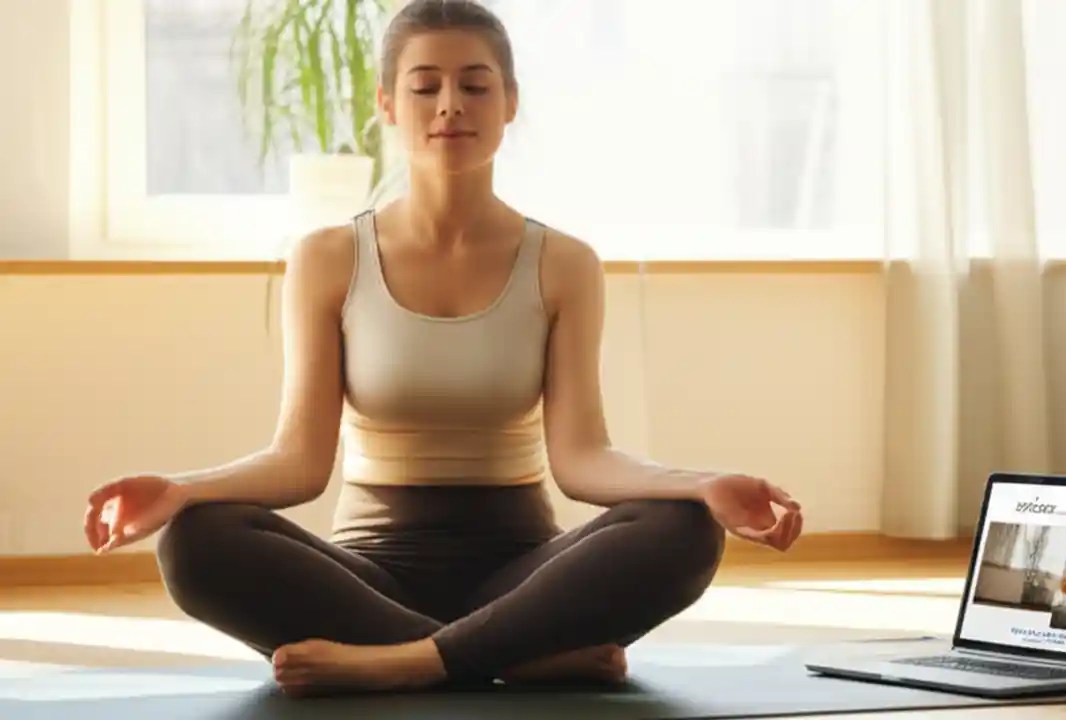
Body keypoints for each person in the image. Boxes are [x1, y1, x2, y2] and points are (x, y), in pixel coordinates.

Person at [80, 0, 803, 699]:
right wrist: (181, 490)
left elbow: (584, 459)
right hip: (371, 581)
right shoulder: (329, 258)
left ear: (510, 102)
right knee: (195, 541)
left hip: (526, 575)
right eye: (425, 86)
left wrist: (701, 484)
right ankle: (511, 658)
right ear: (388, 105)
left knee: (684, 529)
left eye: (475, 86)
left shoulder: (566, 263)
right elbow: (297, 462)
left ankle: (408, 662)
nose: (450, 105)